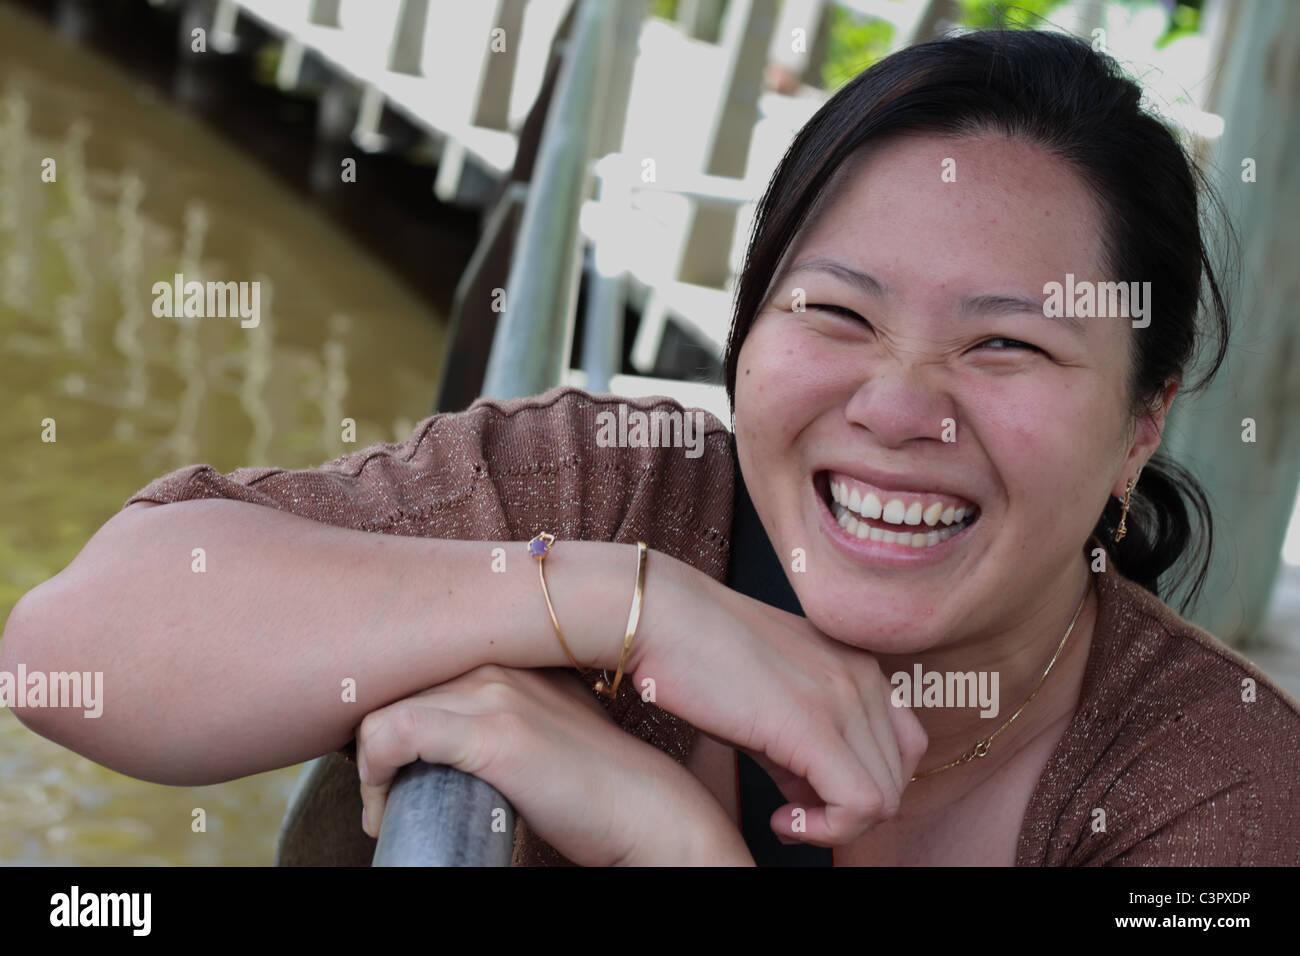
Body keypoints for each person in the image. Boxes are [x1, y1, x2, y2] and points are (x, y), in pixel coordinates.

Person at [5, 29, 1298, 866]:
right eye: (837, 313)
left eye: (1005, 346)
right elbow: (69, 653)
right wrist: (617, 604)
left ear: (1144, 423)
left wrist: (674, 847)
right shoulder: (613, 487)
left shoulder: (1214, 793)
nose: (901, 407)